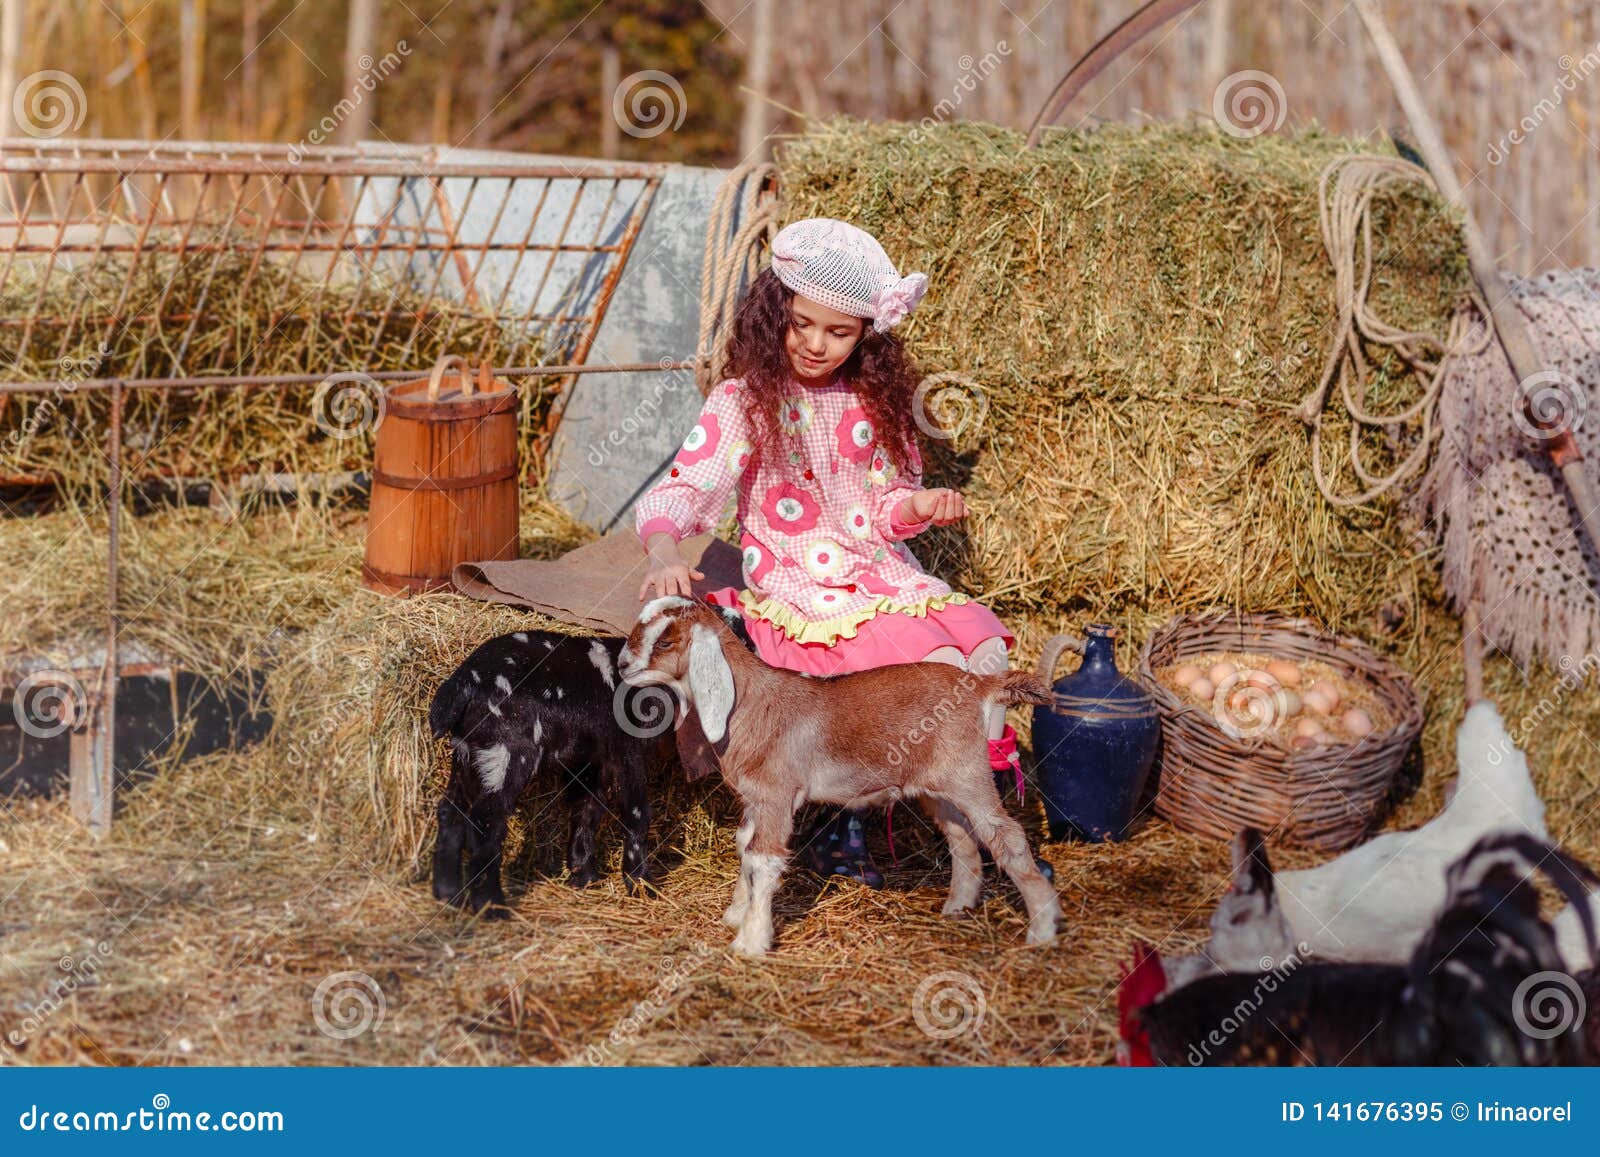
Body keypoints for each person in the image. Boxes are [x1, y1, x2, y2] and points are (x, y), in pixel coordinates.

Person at [635, 217, 1048, 888]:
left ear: (865, 336)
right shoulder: (742, 401)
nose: (816, 344)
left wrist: (917, 505)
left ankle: (969, 821)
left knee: (970, 655)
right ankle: (845, 820)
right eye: (802, 324)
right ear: (776, 314)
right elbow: (687, 488)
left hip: (876, 575)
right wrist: (661, 550)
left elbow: (885, 504)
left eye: (839, 332)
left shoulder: (869, 401)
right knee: (885, 665)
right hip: (798, 585)